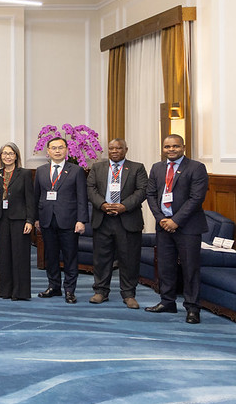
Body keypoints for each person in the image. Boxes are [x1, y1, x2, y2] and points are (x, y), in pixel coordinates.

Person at [145, 134, 209, 324]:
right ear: (162, 148)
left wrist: (176, 221)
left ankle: (192, 308)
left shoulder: (196, 167)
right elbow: (150, 194)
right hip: (163, 225)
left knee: (190, 268)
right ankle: (167, 302)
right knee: (165, 266)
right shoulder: (157, 167)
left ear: (183, 147)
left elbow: (196, 198)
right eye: (167, 147)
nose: (171, 150)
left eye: (175, 146)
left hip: (188, 226)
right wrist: (162, 219)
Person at [86, 138, 147, 309]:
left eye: (119, 148)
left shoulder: (137, 168)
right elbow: (90, 189)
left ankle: (129, 294)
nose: (114, 151)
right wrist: (103, 205)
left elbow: (142, 190)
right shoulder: (98, 167)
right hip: (103, 219)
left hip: (127, 219)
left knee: (129, 258)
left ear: (126, 149)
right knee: (101, 258)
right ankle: (100, 291)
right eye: (111, 148)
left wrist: (124, 206)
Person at [34, 136, 89, 304]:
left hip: (69, 221)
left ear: (66, 150)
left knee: (70, 257)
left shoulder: (76, 170)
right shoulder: (41, 170)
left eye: (60, 147)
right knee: (50, 256)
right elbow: (36, 196)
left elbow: (82, 197)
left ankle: (70, 290)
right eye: (53, 148)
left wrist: (81, 220)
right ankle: (54, 286)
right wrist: (36, 218)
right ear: (48, 151)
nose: (57, 151)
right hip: (47, 220)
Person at [0, 142, 36, 301]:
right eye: (4, 153)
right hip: (2, 220)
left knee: (20, 256)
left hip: (20, 220)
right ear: (0, 156)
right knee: (4, 256)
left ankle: (20, 292)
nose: (7, 156)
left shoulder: (24, 174)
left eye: (10, 153)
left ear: (16, 155)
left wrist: (30, 220)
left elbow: (30, 199)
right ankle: (5, 291)